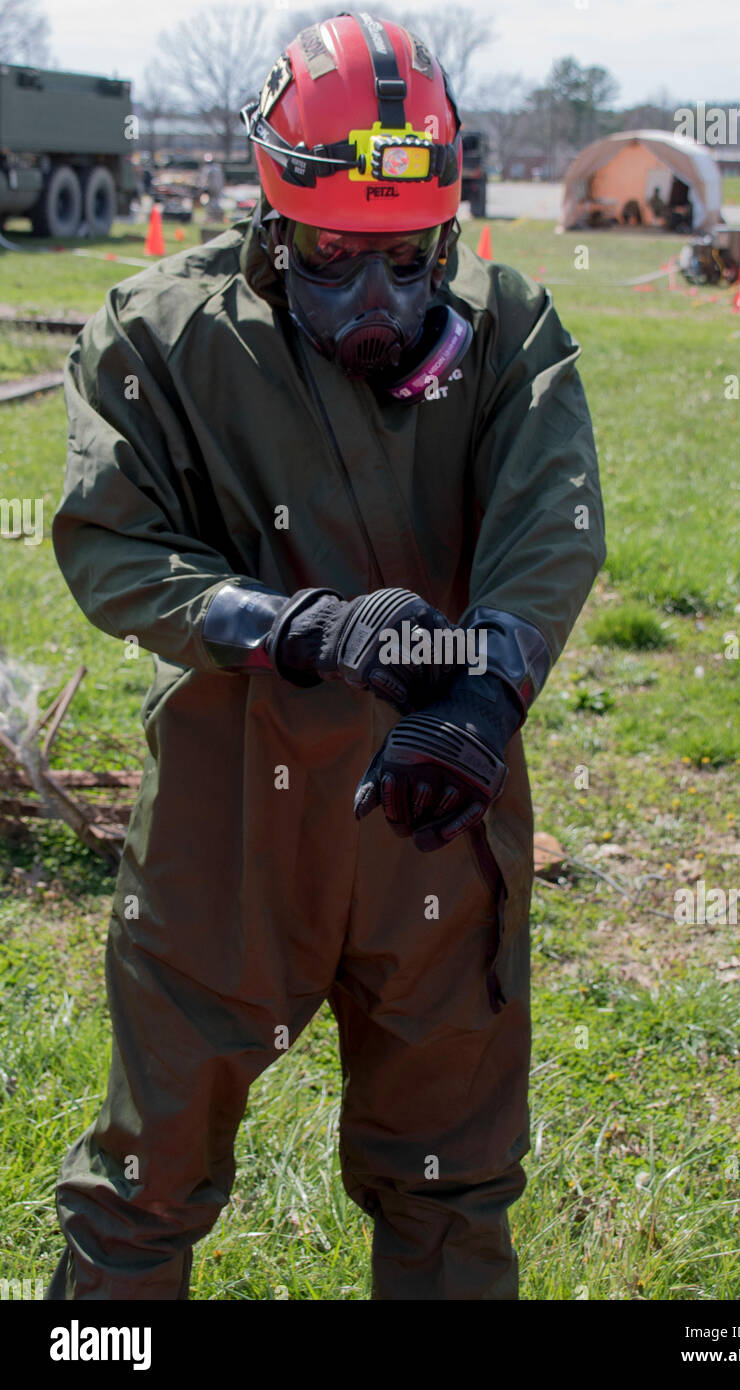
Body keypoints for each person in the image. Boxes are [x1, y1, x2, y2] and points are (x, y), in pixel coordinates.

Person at [45, 12, 605, 1301]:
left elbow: (552, 528)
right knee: (144, 1183)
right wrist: (291, 625)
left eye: (410, 262)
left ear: (449, 232)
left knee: (452, 1180)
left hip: (442, 799)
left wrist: (484, 698)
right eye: (336, 260)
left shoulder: (509, 331)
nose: (378, 306)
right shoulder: (163, 336)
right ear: (274, 218)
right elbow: (113, 543)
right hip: (231, 806)